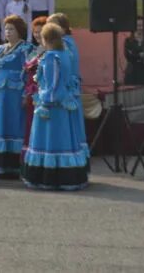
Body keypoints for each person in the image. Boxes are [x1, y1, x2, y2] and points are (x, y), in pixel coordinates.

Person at [21, 23, 89, 191]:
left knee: (50, 141)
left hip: (52, 106)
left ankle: (50, 178)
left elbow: (52, 84)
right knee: (64, 140)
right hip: (64, 104)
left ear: (46, 39)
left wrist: (44, 101)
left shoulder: (51, 57)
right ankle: (67, 177)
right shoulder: (64, 54)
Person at [0, 15, 32, 177]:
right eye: (6, 29)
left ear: (20, 31)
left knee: (14, 124)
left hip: (15, 92)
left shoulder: (25, 48)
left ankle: (14, 164)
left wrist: (26, 93)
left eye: (11, 29)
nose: (8, 32)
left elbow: (28, 71)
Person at [46, 13, 88, 164]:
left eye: (53, 25)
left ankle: (66, 161)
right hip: (67, 90)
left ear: (63, 28)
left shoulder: (63, 45)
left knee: (67, 130)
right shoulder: (66, 43)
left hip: (64, 93)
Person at [23, 16, 48, 158]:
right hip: (31, 92)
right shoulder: (35, 50)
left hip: (42, 92)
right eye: (35, 32)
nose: (37, 34)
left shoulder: (50, 51)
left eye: (40, 31)